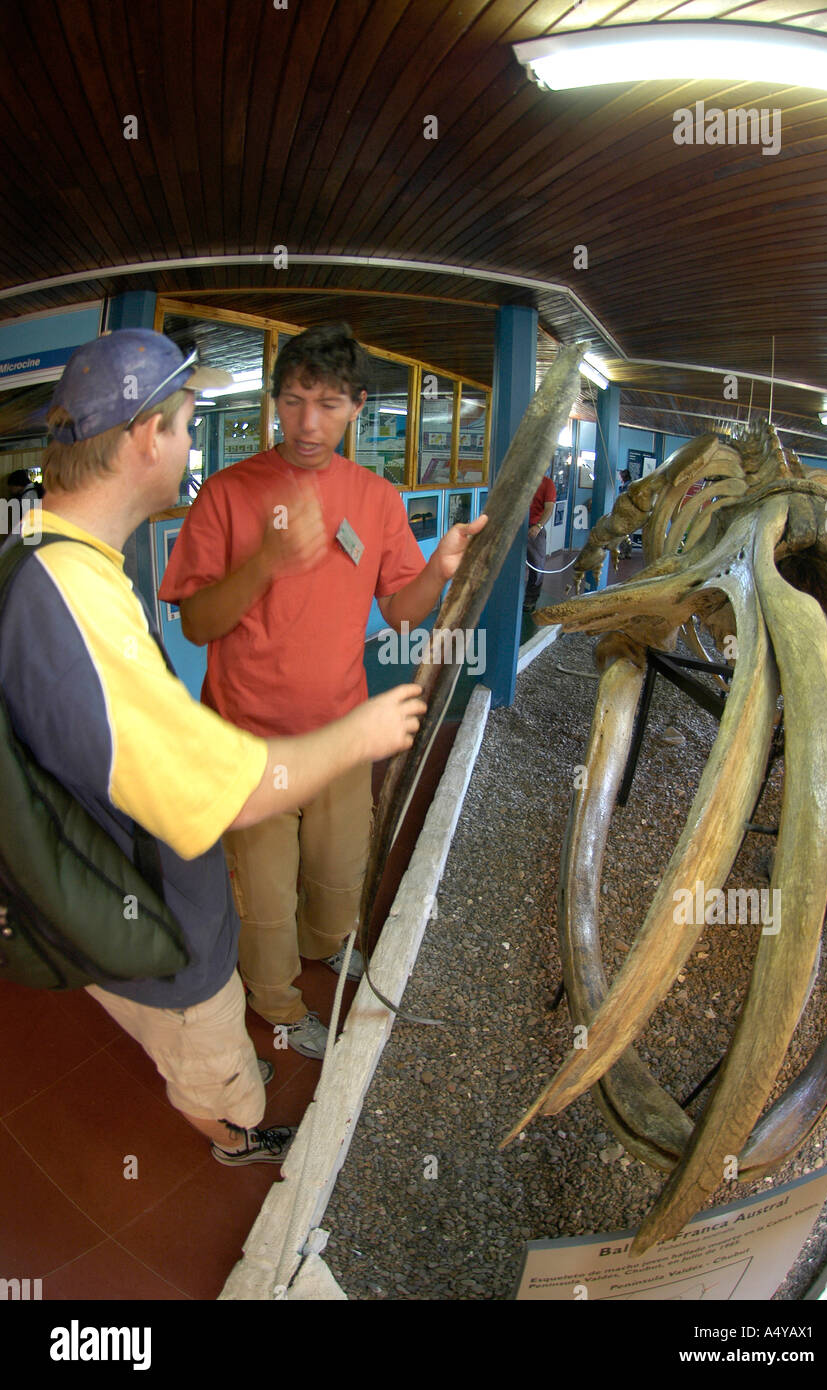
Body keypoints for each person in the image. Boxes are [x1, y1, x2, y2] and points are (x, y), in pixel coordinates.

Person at [0, 328, 426, 1166]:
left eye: (327, 402)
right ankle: (239, 1130)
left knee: (319, 882)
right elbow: (224, 789)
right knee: (217, 1025)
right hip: (148, 905)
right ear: (145, 439)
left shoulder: (47, 561)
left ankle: (262, 1035)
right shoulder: (76, 596)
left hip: (98, 877)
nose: (193, 443)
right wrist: (363, 732)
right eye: (188, 425)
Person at [160, 322, 486, 1056]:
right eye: (296, 400)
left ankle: (330, 944)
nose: (310, 423)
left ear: (358, 406)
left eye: (330, 403)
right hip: (247, 740)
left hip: (341, 732)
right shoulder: (227, 493)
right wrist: (267, 563)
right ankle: (276, 1002)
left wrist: (442, 568)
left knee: (340, 874)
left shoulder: (374, 497)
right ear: (275, 401)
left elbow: (401, 609)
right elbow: (196, 624)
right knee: (264, 897)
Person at [523, 469, 556, 613]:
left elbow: (549, 508)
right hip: (516, 527)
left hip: (534, 529)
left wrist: (538, 526)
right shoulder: (521, 481)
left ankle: (530, 599)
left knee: (537, 566)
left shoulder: (547, 483)